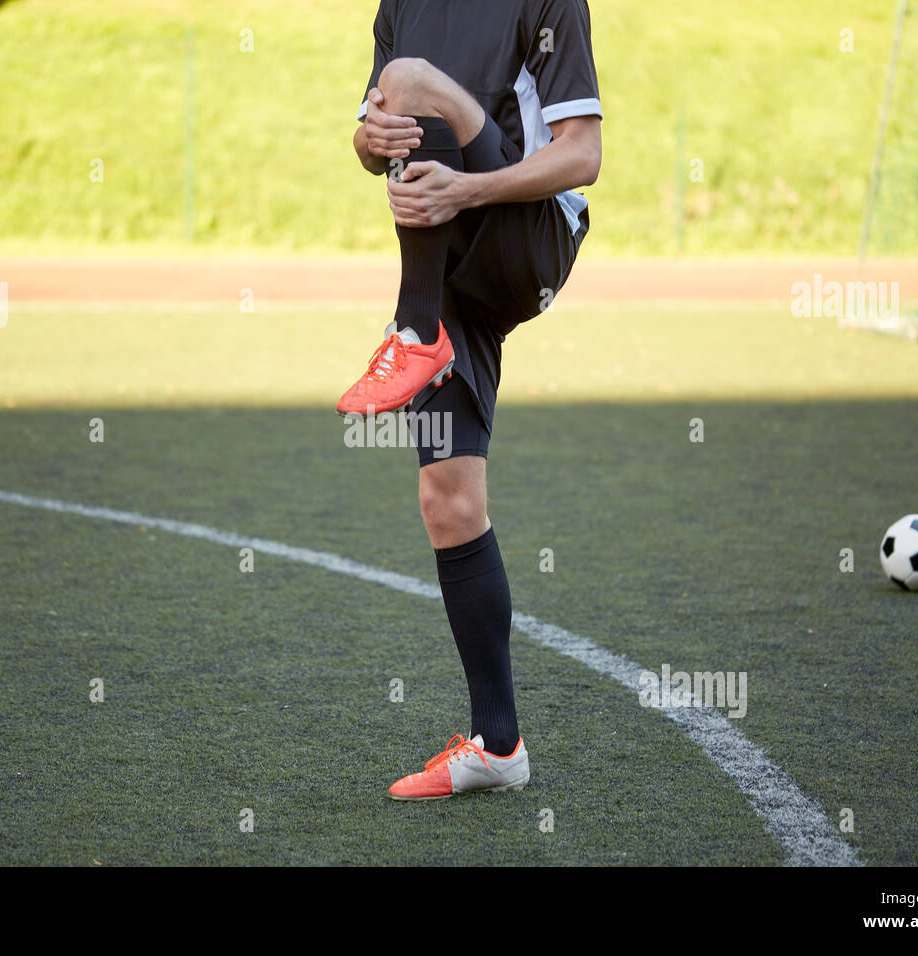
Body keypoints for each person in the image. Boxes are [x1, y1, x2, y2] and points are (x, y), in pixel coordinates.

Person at [338, 0, 602, 800]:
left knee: (409, 79)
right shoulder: (402, 5)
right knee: (448, 501)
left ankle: (414, 331)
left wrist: (467, 187)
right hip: (453, 266)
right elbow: (368, 136)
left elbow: (582, 155)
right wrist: (369, 140)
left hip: (529, 236)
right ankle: (498, 746)